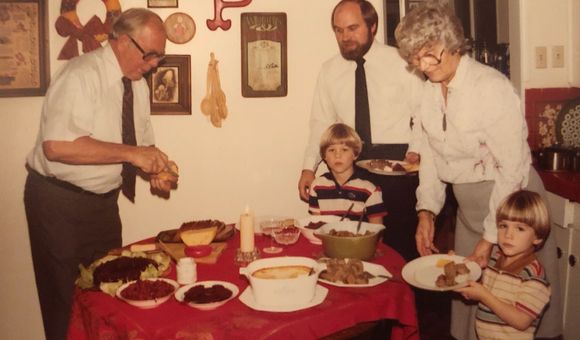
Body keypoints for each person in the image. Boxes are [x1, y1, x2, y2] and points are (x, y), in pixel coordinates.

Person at [394, 2, 562, 339]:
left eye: (432, 55)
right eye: (416, 58)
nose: (425, 66)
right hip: (471, 212)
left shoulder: (491, 88)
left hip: (513, 209)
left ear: (452, 42)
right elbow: (428, 155)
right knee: (472, 308)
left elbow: (511, 171)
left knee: (516, 309)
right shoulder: (427, 93)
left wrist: (491, 236)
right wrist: (426, 211)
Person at [24, 8, 177, 340]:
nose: (153, 64)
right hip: (59, 203)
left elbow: (138, 145)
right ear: (122, 41)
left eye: (159, 57)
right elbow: (57, 146)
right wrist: (133, 154)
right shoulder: (81, 74)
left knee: (109, 293)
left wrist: (154, 170)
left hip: (103, 205)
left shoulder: (135, 85)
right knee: (66, 303)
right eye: (149, 54)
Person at [298, 0, 424, 260]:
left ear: (373, 26)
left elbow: (423, 113)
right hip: (349, 165)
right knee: (348, 246)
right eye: (338, 30)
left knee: (398, 250)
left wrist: (416, 151)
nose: (345, 37)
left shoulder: (402, 62)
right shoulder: (329, 71)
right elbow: (320, 123)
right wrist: (309, 167)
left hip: (398, 167)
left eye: (353, 28)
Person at [456, 190, 551, 340]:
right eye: (503, 226)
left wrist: (483, 295)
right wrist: (458, 270)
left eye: (520, 228)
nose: (508, 234)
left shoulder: (533, 274)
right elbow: (490, 292)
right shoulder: (496, 259)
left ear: (538, 237)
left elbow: (521, 321)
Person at [309, 123, 387, 224]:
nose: (337, 155)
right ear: (324, 156)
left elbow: (377, 230)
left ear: (355, 154)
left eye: (344, 150)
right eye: (331, 150)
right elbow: (317, 227)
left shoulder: (369, 189)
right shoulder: (317, 186)